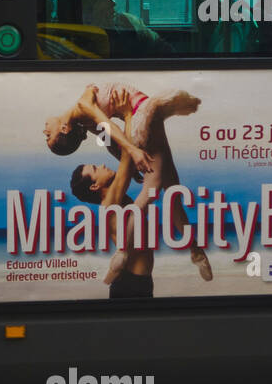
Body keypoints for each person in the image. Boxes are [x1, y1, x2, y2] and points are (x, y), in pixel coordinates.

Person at [56, 82, 212, 283]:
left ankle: (196, 251)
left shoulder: (87, 114)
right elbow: (112, 137)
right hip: (140, 119)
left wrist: (129, 154)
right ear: (65, 129)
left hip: (143, 122)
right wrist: (131, 140)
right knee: (153, 189)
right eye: (96, 169)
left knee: (172, 193)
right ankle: (123, 252)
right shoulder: (87, 112)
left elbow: (109, 141)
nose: (45, 130)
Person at [69, 107, 155, 297]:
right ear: (94, 186)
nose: (102, 165)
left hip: (138, 282)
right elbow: (127, 155)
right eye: (95, 168)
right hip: (130, 285)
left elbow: (114, 148)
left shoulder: (113, 199)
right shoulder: (110, 203)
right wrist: (127, 115)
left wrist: (96, 125)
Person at [55, 0, 169, 56]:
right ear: (83, 9)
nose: (113, 2)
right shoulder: (59, 47)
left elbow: (165, 52)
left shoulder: (129, 24)